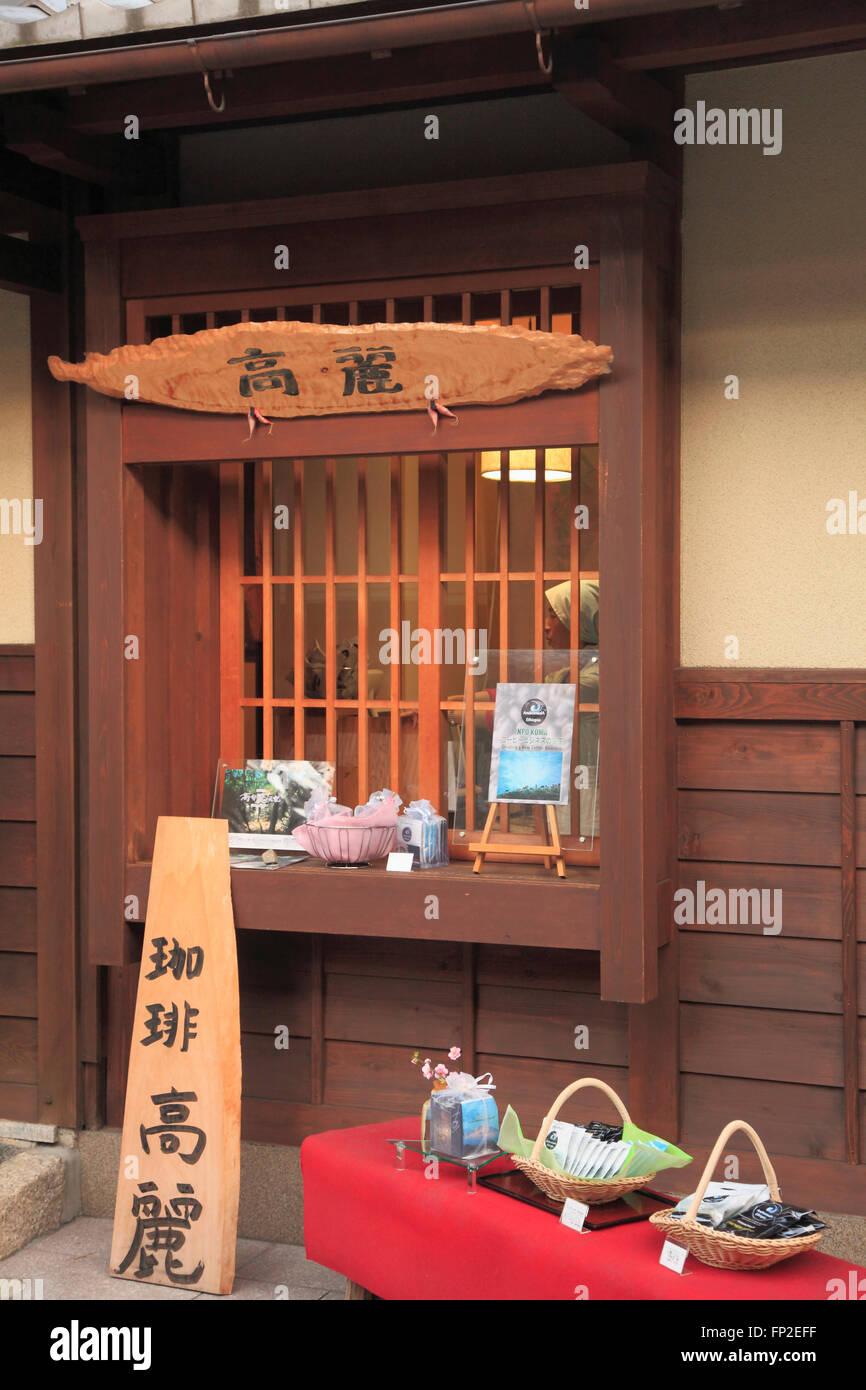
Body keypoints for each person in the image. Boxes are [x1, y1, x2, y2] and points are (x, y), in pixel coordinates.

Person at [543, 579, 599, 838]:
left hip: (590, 780)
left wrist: (464, 710)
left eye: (554, 616)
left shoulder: (596, 676)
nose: (546, 626)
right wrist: (465, 700)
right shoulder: (579, 670)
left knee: (580, 848)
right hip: (569, 776)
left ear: (581, 620)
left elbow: (536, 703)